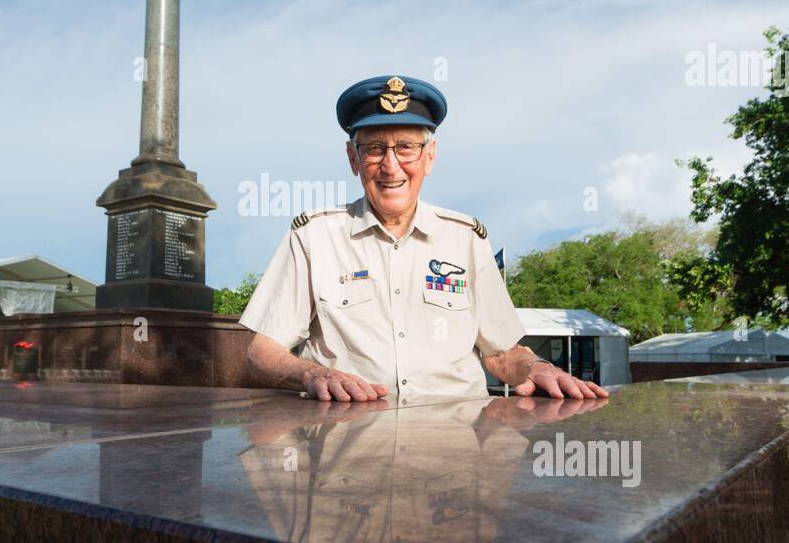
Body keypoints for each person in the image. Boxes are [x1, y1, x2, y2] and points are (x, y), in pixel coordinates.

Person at [239, 74, 609, 403]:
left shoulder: (466, 239)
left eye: (405, 147)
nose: (390, 165)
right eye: (374, 148)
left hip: (455, 452)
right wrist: (313, 373)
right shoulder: (314, 237)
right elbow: (262, 350)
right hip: (347, 446)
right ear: (353, 158)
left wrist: (537, 368)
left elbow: (500, 352)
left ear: (429, 157)